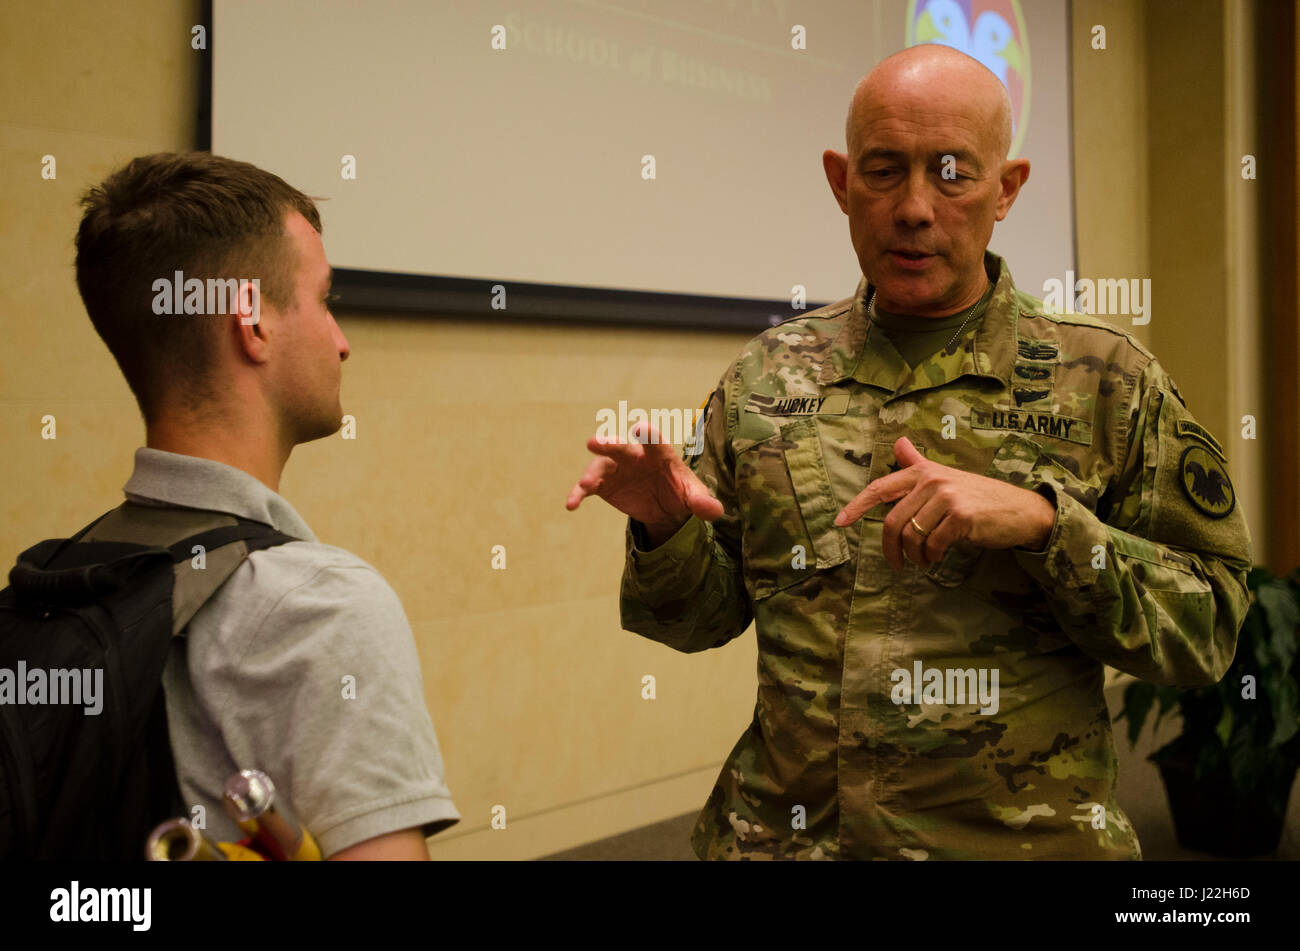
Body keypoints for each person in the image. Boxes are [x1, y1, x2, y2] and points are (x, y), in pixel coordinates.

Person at [566, 44, 1252, 860]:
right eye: (885, 171)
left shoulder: (1104, 382)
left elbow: (1209, 629)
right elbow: (696, 620)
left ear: (1008, 189)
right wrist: (663, 527)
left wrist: (1044, 524)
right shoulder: (767, 375)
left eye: (954, 171)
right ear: (840, 181)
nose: (916, 207)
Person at [73, 151, 459, 859]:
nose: (341, 343)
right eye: (323, 300)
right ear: (252, 325)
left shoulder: (66, 573)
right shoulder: (321, 605)